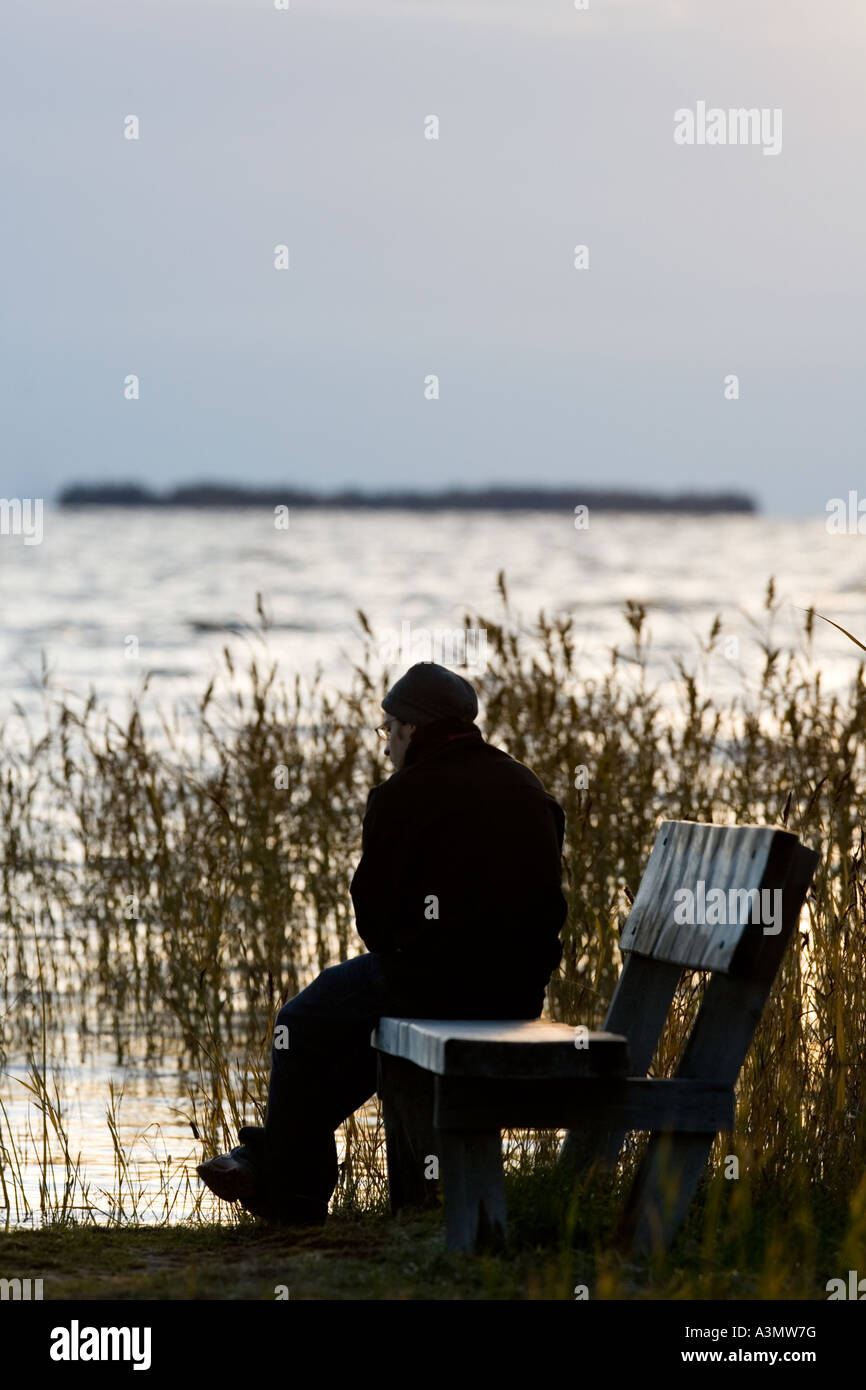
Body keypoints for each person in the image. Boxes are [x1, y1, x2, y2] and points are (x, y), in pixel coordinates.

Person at [196, 660, 567, 1224]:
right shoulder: (527, 785)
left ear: (413, 729)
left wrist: (413, 946)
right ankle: (273, 1163)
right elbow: (548, 906)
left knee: (300, 1021)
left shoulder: (403, 794)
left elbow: (373, 919)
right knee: (368, 1039)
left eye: (388, 729)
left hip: (435, 983)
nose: (385, 743)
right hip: (517, 994)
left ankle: (290, 1186)